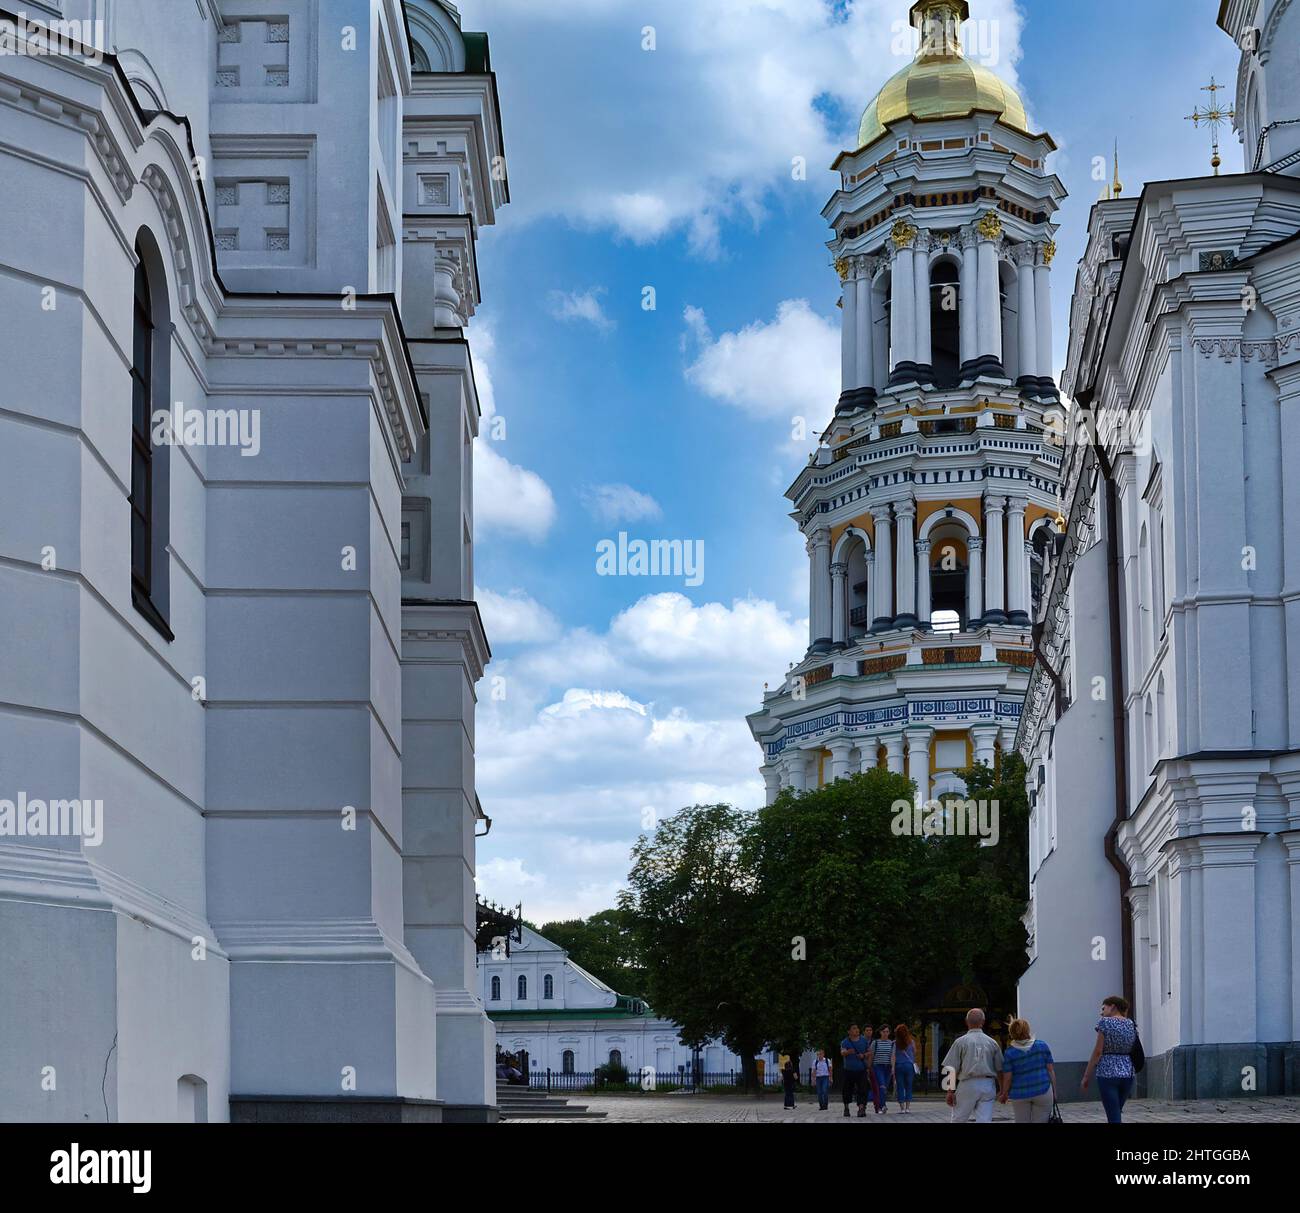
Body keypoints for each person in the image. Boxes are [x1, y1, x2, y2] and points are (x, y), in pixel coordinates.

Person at [941, 1008, 1003, 1122]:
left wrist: (950, 1091)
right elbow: (1000, 1069)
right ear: (983, 1022)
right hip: (988, 1084)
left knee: (958, 1119)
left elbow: (951, 1068)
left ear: (966, 1022)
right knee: (984, 1120)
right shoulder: (992, 1042)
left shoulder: (960, 1042)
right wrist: (1003, 1090)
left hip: (967, 1084)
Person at [1082, 994, 1137, 1123]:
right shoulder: (1130, 1023)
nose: (1101, 1013)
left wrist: (1086, 1075)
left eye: (1103, 1009)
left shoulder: (1105, 1022)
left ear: (1112, 1007)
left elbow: (1098, 1051)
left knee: (1113, 1116)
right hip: (1128, 1072)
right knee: (1116, 1111)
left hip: (1107, 1072)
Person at [998, 1017, 1057, 1122]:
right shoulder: (1042, 1046)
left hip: (1019, 1093)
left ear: (1011, 1033)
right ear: (1027, 1030)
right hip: (1042, 1090)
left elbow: (1008, 1077)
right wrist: (1054, 1091)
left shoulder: (1009, 1053)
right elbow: (1050, 1071)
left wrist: (1004, 1093)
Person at [839, 1024, 870, 1118]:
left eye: (857, 1028)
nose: (856, 1030)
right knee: (847, 1090)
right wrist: (848, 1052)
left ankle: (861, 1109)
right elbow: (842, 1052)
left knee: (863, 1089)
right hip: (848, 1070)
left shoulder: (864, 1040)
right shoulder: (845, 1042)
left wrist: (863, 1055)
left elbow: (869, 1052)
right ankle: (846, 1108)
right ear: (849, 1031)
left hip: (861, 1070)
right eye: (854, 1028)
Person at [869, 1025, 895, 1114]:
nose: (885, 1033)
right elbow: (871, 1056)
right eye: (884, 1031)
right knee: (882, 1086)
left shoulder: (891, 1043)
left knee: (884, 1087)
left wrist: (893, 1067)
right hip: (878, 1066)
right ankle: (881, 1106)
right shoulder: (875, 1043)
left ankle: (881, 1106)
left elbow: (892, 1056)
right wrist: (869, 1067)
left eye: (887, 1031)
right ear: (880, 1032)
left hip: (888, 1067)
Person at [893, 1024, 916, 1113]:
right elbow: (914, 1052)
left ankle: (902, 1108)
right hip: (909, 1066)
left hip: (899, 1066)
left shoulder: (895, 1043)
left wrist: (892, 1067)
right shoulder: (911, 1042)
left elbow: (893, 1056)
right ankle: (908, 1108)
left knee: (900, 1086)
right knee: (909, 1086)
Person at [861, 1025, 881, 1111]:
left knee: (875, 1087)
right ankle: (863, 1105)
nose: (869, 1032)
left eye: (870, 1030)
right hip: (862, 1067)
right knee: (863, 1087)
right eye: (867, 1030)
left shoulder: (875, 1042)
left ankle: (877, 1106)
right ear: (864, 1032)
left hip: (873, 1066)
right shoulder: (860, 1041)